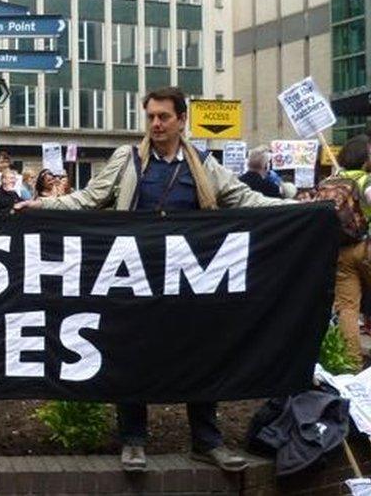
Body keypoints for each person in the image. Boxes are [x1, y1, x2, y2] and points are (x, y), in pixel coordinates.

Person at [16, 86, 289, 474]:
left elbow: (244, 199)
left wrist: (298, 208)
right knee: (133, 356)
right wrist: (43, 204)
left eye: (163, 117)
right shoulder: (127, 160)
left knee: (200, 356)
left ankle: (206, 440)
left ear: (182, 120)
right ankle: (133, 440)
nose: (156, 124)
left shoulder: (204, 164)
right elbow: (88, 199)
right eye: (151, 117)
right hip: (135, 282)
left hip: (190, 284)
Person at [330, 135, 371, 367]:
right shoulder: (364, 179)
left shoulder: (332, 180)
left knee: (347, 308)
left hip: (341, 251)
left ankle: (352, 364)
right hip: (366, 246)